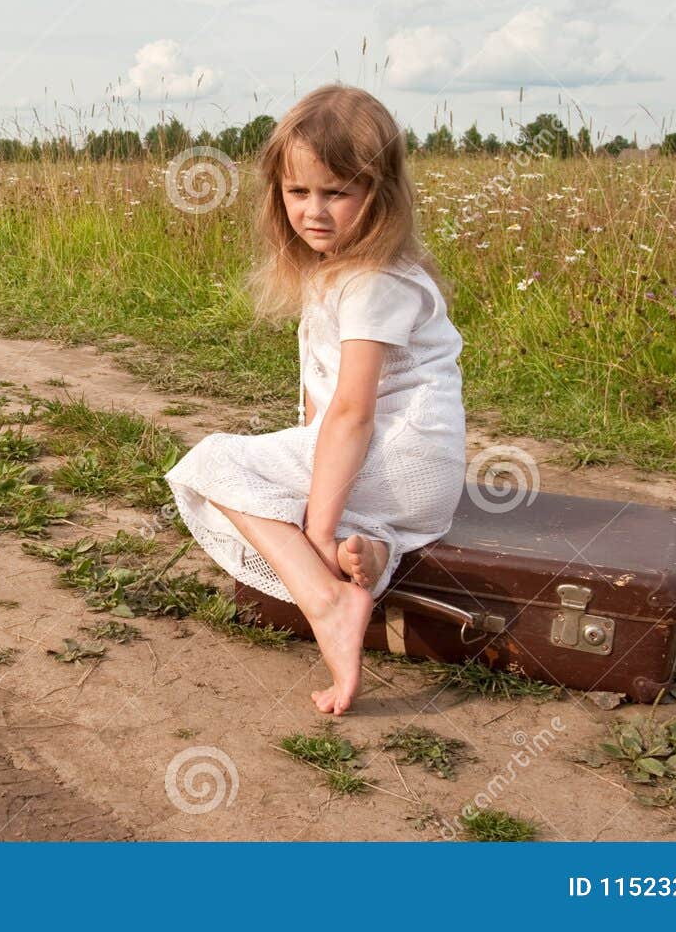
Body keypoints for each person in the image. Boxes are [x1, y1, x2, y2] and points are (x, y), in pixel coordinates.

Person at [164, 84, 467, 716]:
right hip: (416, 480)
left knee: (213, 462)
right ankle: (372, 556)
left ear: (380, 196)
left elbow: (352, 411)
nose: (314, 211)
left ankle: (327, 601)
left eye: (337, 192)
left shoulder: (373, 281)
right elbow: (320, 398)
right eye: (298, 192)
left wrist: (318, 524)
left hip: (398, 458)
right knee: (299, 504)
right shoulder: (342, 270)